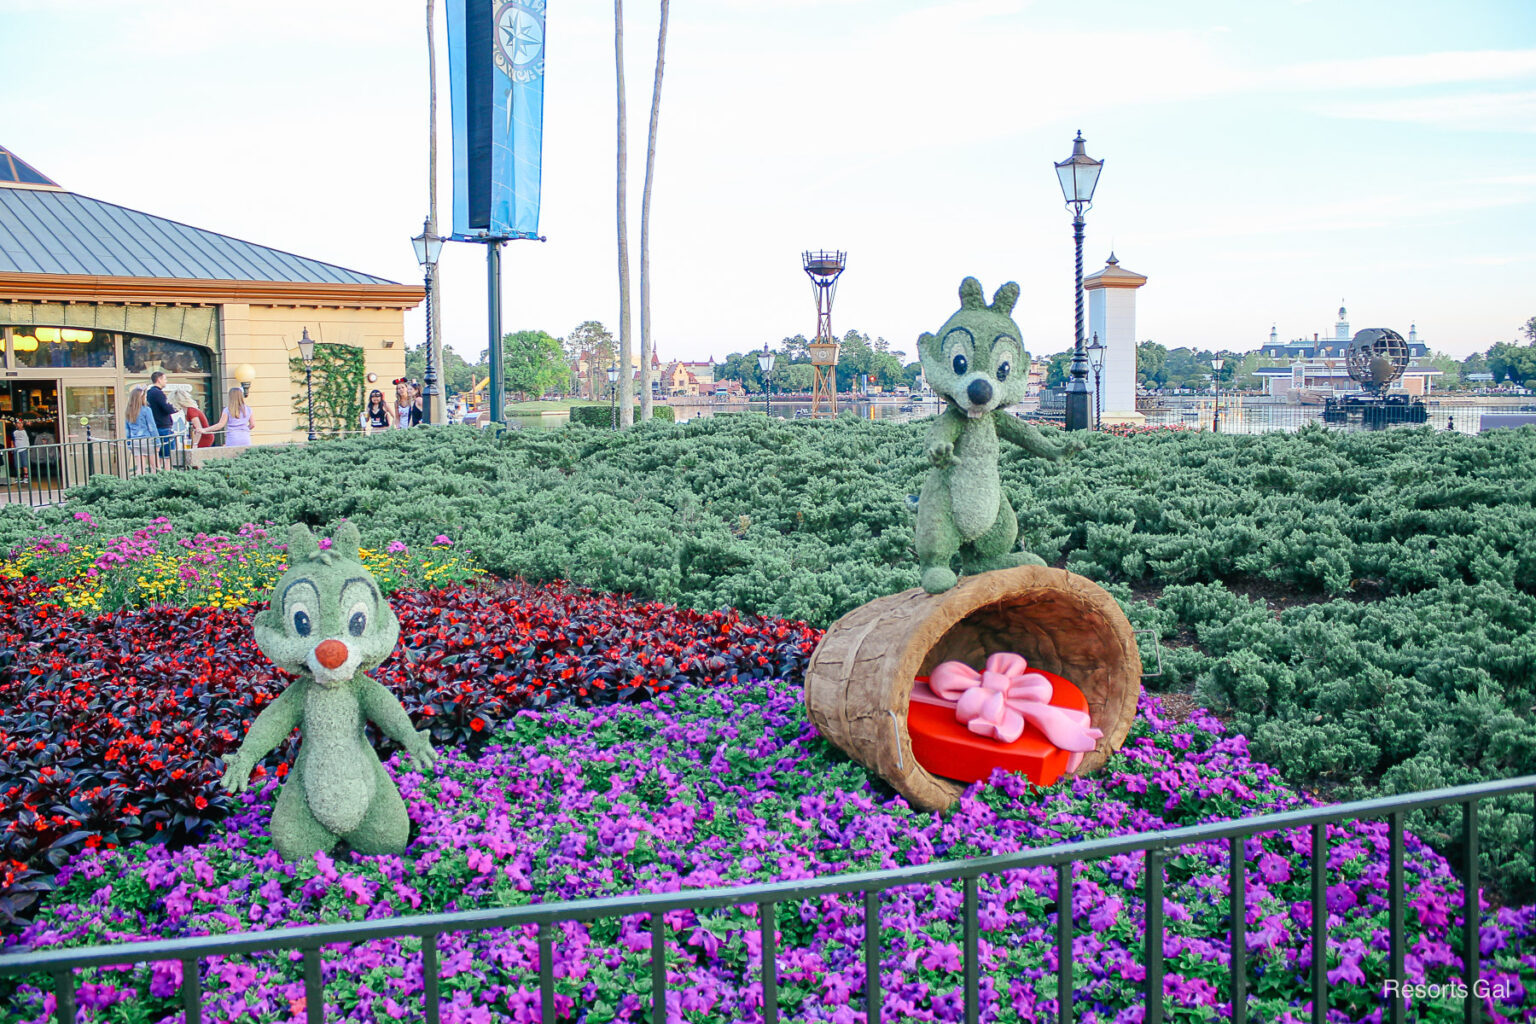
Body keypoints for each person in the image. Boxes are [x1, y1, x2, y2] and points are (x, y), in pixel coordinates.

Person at [168, 383, 212, 449]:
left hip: (204, 437)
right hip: (201, 436)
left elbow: (198, 429)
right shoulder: (188, 410)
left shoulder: (191, 411)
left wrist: (195, 444)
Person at [146, 371, 176, 461]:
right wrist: (177, 407)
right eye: (165, 379)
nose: (166, 381)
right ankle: (167, 473)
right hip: (163, 427)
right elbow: (167, 408)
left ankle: (159, 472)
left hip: (155, 427)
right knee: (168, 456)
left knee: (158, 455)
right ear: (159, 380)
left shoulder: (149, 393)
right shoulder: (158, 393)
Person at [125, 385, 156, 457]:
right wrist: (157, 442)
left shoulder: (128, 411)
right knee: (154, 466)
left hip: (134, 440)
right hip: (146, 439)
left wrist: (129, 443)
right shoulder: (146, 410)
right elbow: (152, 427)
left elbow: (127, 429)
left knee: (140, 466)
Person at [11, 421, 28, 485]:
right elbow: (12, 439)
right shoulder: (14, 432)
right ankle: (18, 477)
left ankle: (26, 477)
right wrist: (12, 446)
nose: (19, 425)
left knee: (25, 464)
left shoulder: (26, 431)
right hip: (17, 449)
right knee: (17, 464)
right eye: (18, 423)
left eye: (21, 423)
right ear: (16, 424)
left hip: (24, 448)